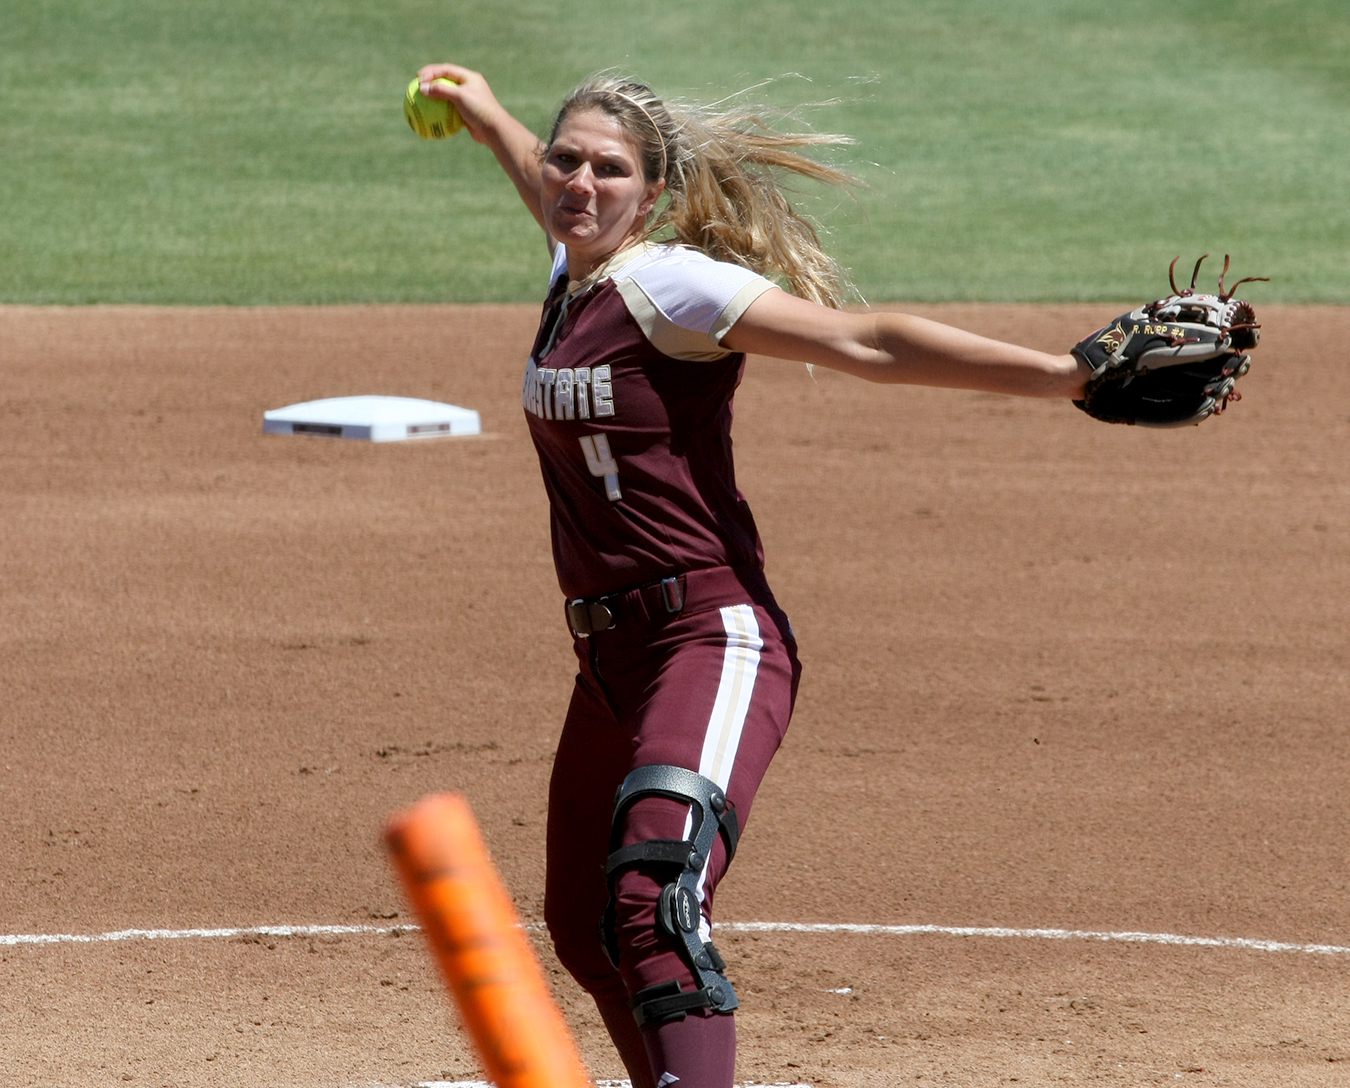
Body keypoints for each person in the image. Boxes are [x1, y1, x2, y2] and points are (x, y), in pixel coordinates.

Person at [414, 63, 1091, 1088]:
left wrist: (1061, 376)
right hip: (610, 660)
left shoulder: (671, 284)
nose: (578, 183)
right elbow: (544, 189)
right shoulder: (573, 268)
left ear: (654, 194)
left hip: (708, 638)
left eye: (609, 169)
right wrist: (487, 115)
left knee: (656, 897)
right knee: (589, 926)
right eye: (566, 160)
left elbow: (863, 341)